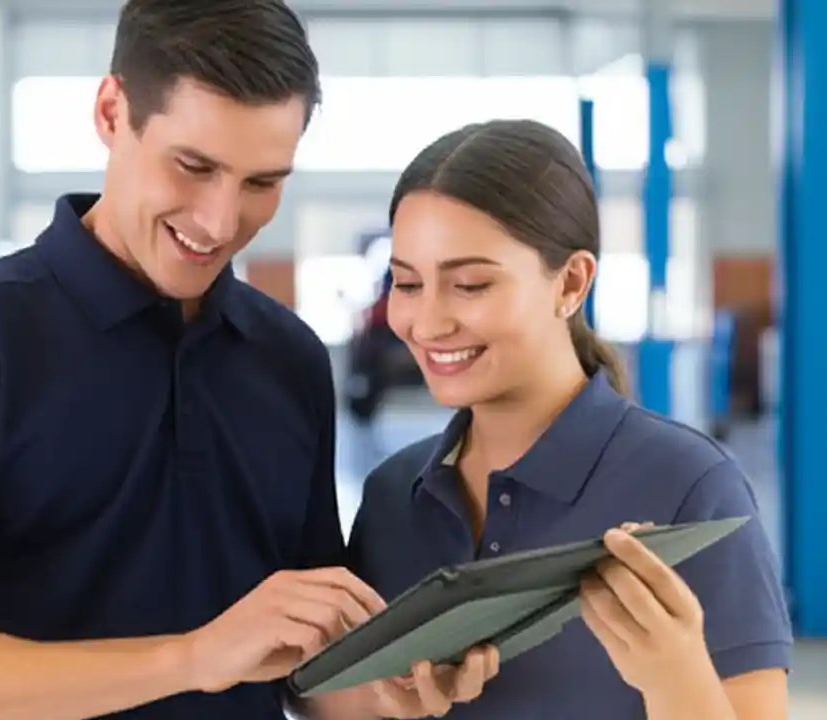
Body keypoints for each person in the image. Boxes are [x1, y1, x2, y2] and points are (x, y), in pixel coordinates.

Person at [0, 2, 488, 719]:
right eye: (193, 166)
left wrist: (395, 692)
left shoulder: (287, 359)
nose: (220, 221)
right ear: (113, 112)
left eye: (262, 183)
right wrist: (191, 657)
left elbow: (309, 675)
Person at [339, 120, 793, 719]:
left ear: (572, 283)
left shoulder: (689, 488)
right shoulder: (395, 497)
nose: (427, 323)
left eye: (470, 284)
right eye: (406, 282)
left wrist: (674, 680)